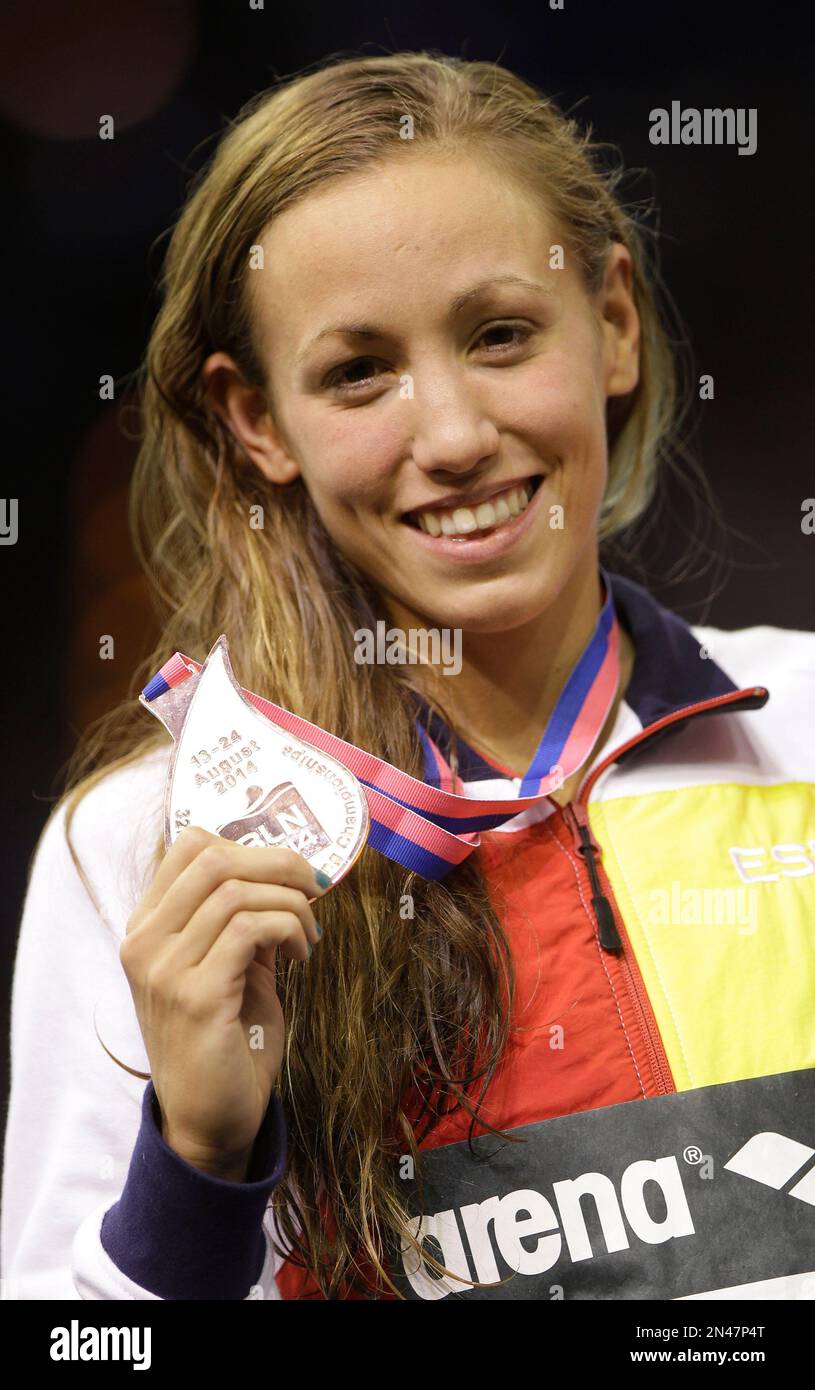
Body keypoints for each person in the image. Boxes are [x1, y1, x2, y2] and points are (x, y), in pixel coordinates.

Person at [2, 51, 814, 1303]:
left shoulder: (803, 735)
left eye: (498, 334)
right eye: (356, 372)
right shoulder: (143, 853)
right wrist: (199, 1163)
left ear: (610, 322)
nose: (448, 435)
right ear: (254, 421)